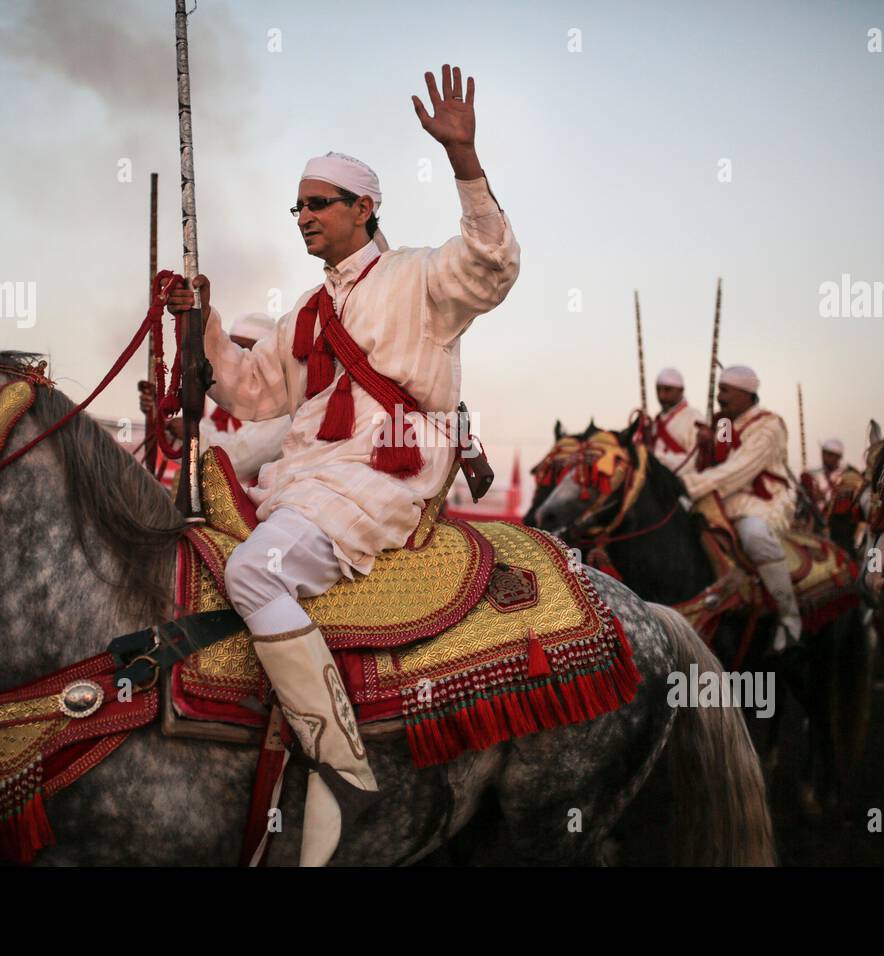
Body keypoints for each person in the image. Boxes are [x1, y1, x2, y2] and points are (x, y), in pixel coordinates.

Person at [166, 65, 519, 866]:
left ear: (366, 209)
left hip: (387, 473)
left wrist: (464, 158)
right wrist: (206, 321)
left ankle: (348, 771)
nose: (304, 216)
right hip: (307, 476)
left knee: (256, 573)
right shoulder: (305, 308)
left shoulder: (419, 276)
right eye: (297, 205)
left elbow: (492, 267)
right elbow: (255, 396)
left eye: (319, 202)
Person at [682, 365, 801, 650]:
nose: (719, 397)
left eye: (725, 391)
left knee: (754, 536)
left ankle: (789, 616)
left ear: (747, 393)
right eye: (719, 390)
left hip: (764, 500)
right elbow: (720, 462)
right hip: (724, 498)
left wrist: (689, 486)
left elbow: (739, 469)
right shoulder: (724, 423)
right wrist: (708, 445)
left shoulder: (770, 425)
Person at [139, 313, 290, 483]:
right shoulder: (220, 400)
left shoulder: (284, 407)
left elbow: (241, 460)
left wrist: (192, 434)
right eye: (233, 348)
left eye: (245, 349)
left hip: (264, 503)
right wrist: (161, 421)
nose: (237, 356)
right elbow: (194, 454)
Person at [636, 367, 700, 474]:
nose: (661, 395)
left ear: (681, 390)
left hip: (681, 484)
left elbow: (696, 461)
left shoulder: (694, 418)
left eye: (667, 390)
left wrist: (654, 456)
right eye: (658, 389)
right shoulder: (654, 422)